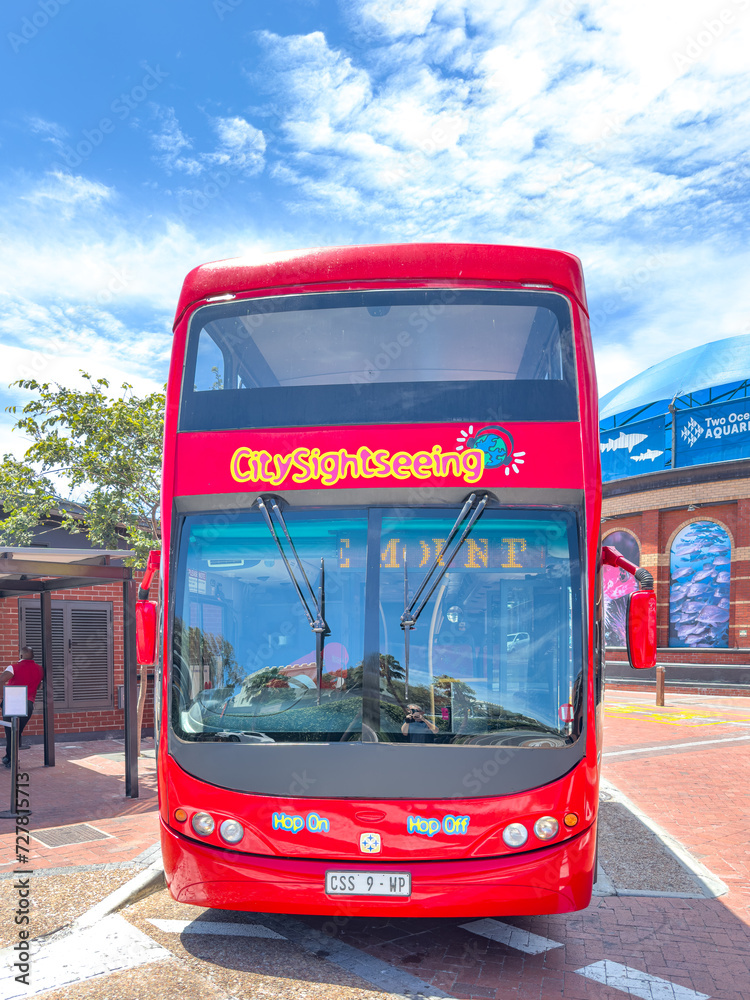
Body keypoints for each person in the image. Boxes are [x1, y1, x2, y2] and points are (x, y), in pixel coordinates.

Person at [1, 647, 43, 768]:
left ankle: (12, 761)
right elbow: (40, 685)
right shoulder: (40, 669)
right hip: (28, 704)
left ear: (20, 656)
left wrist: (2, 698)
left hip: (12, 703)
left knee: (10, 732)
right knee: (17, 731)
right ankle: (9, 758)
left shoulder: (13, 667)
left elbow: (1, 680)